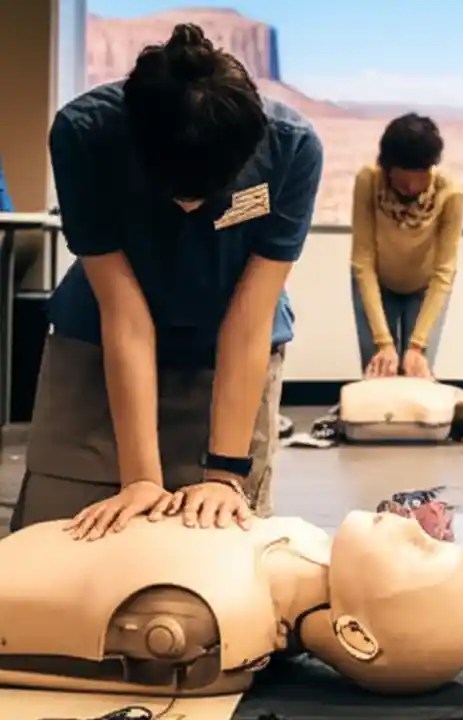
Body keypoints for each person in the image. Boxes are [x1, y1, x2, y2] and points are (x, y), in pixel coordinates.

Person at [9, 24, 323, 540]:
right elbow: (122, 310)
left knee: (219, 544)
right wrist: (139, 478)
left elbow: (251, 317)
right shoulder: (85, 133)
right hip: (97, 350)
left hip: (231, 361)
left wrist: (224, 472)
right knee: (66, 537)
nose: (189, 205)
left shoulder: (292, 148)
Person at [351, 114, 463, 379]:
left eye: (420, 178)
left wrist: (417, 345)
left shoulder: (450, 193)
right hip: (375, 284)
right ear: (388, 168)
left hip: (425, 290)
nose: (411, 188)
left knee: (418, 373)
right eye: (403, 181)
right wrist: (383, 342)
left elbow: (444, 272)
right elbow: (362, 261)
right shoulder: (369, 180)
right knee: (379, 374)